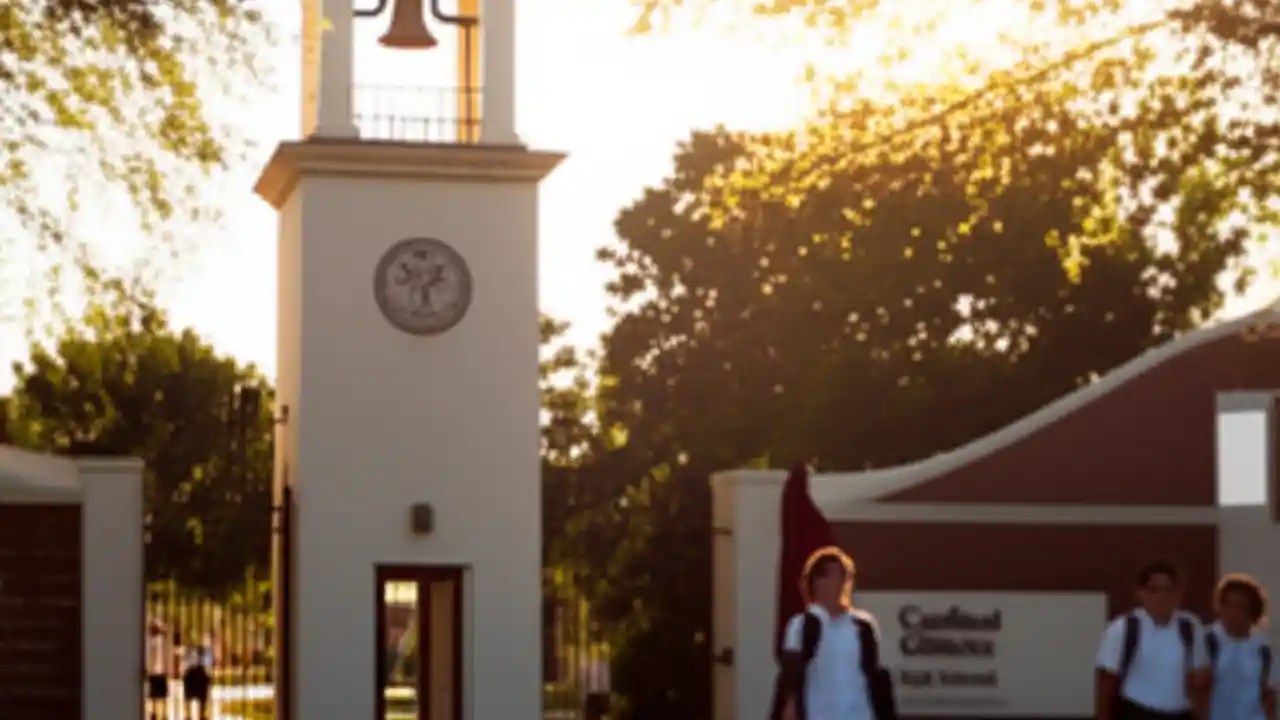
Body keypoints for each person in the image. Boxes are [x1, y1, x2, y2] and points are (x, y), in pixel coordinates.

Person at [773, 546, 895, 720]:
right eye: (833, 575)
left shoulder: (862, 626)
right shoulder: (802, 625)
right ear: (817, 581)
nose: (840, 582)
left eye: (844, 575)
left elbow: (879, 678)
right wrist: (790, 706)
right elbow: (790, 675)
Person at [1096, 560, 1211, 720]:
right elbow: (1107, 680)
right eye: (1154, 590)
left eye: (1168, 590)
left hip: (1180, 713)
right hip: (1137, 711)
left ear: (1179, 593)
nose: (1161, 596)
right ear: (1140, 592)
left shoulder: (1191, 627)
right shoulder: (1124, 627)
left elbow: (1199, 679)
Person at [1205, 573, 1276, 720]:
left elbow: (1269, 696)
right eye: (1227, 605)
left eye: (1240, 606)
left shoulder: (1263, 649)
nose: (1232, 613)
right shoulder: (1207, 642)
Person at [146, 620, 171, 720]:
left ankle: (162, 714)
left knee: (162, 695)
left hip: (160, 671)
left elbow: (166, 655)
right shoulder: (150, 640)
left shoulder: (162, 640)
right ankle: (155, 713)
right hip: (154, 671)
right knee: (154, 696)